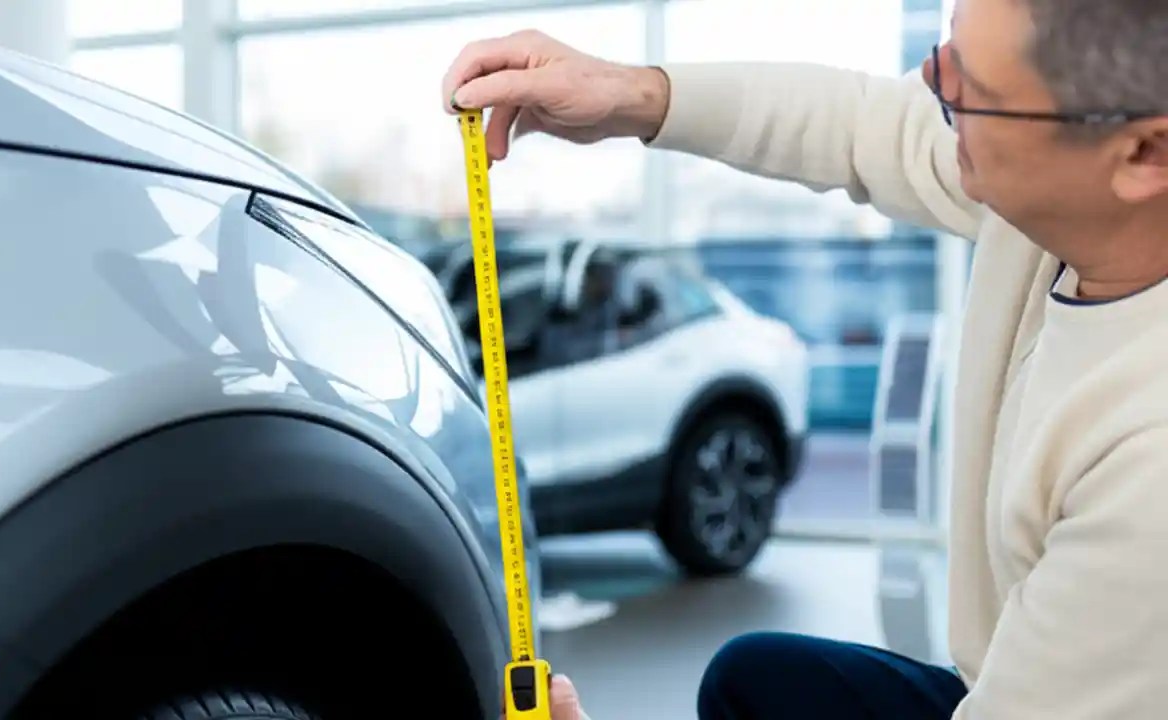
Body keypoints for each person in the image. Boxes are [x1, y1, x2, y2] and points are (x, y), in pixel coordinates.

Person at [445, 0, 1168, 717]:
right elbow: (864, 123)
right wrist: (630, 95)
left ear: (1143, 153)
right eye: (949, 49)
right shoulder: (1076, 195)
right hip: (1013, 680)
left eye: (978, 87)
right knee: (758, 682)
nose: (931, 83)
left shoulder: (1148, 475)